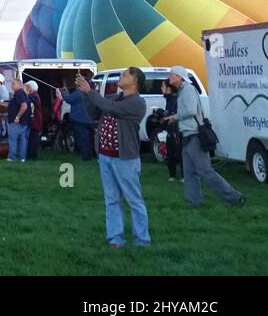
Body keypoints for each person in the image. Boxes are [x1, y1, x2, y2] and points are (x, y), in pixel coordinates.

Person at [77, 67, 150, 247]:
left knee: (134, 199)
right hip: (105, 156)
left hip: (125, 158)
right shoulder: (114, 98)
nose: (121, 76)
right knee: (111, 199)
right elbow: (93, 111)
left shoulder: (137, 103)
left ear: (134, 82)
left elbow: (110, 108)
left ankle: (142, 240)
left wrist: (90, 92)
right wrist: (84, 94)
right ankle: (115, 238)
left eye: (125, 74)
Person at [170, 67, 245, 208]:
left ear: (179, 77)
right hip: (188, 137)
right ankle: (194, 202)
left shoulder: (187, 90)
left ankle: (235, 198)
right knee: (189, 172)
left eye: (171, 75)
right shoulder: (183, 91)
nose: (169, 78)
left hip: (194, 136)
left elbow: (191, 110)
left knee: (206, 171)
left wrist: (175, 117)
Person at [63, 73, 97, 160]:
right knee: (89, 138)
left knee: (83, 139)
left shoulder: (79, 92)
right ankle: (91, 155)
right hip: (89, 119)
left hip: (80, 119)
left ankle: (85, 157)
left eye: (78, 80)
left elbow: (69, 99)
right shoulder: (91, 91)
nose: (75, 82)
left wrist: (64, 92)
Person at [155, 79, 182, 181]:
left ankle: (182, 176)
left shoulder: (174, 99)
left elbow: (174, 114)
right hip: (170, 130)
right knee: (169, 152)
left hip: (176, 130)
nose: (161, 88)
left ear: (168, 88)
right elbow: (169, 113)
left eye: (163, 86)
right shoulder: (169, 99)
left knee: (178, 152)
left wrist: (165, 117)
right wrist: (161, 113)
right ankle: (172, 176)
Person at [6, 79, 30, 162]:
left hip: (17, 122)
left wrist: (17, 117)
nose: (11, 85)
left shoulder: (19, 93)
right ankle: (22, 158)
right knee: (22, 140)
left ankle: (12, 157)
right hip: (23, 121)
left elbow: (24, 106)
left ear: (20, 85)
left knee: (13, 139)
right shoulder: (20, 93)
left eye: (13, 84)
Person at [25, 79, 43, 161]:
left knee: (33, 138)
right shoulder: (35, 95)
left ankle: (32, 155)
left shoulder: (33, 96)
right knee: (32, 137)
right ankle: (32, 155)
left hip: (35, 120)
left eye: (27, 87)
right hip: (35, 119)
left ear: (30, 88)